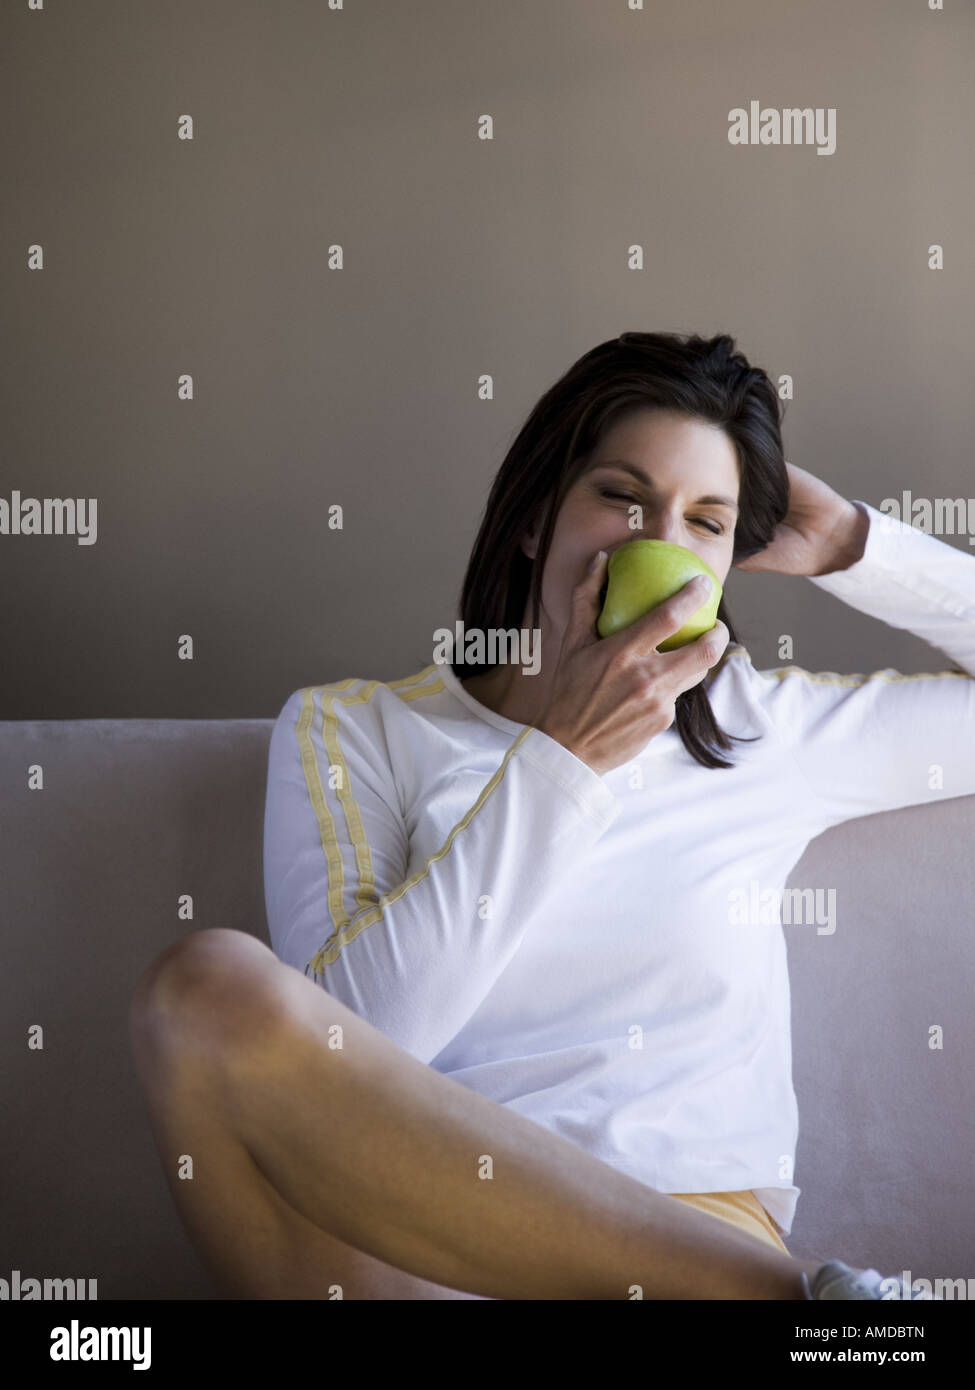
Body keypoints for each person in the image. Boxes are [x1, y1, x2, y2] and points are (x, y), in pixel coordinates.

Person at [130, 332, 972, 1299]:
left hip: (688, 1234)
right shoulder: (357, 729)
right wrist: (564, 760)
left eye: (705, 522)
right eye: (621, 496)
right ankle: (806, 1313)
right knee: (201, 990)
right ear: (536, 519)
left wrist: (859, 548)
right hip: (417, 1247)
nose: (657, 544)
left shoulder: (763, 731)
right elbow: (352, 1039)